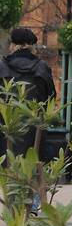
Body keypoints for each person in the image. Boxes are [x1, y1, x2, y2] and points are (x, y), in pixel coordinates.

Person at [0, 25, 57, 157]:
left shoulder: (2, 67)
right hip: (33, 130)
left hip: (6, 128)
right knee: (30, 169)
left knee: (6, 167)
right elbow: (51, 98)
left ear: (13, 44)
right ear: (32, 46)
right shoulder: (42, 68)